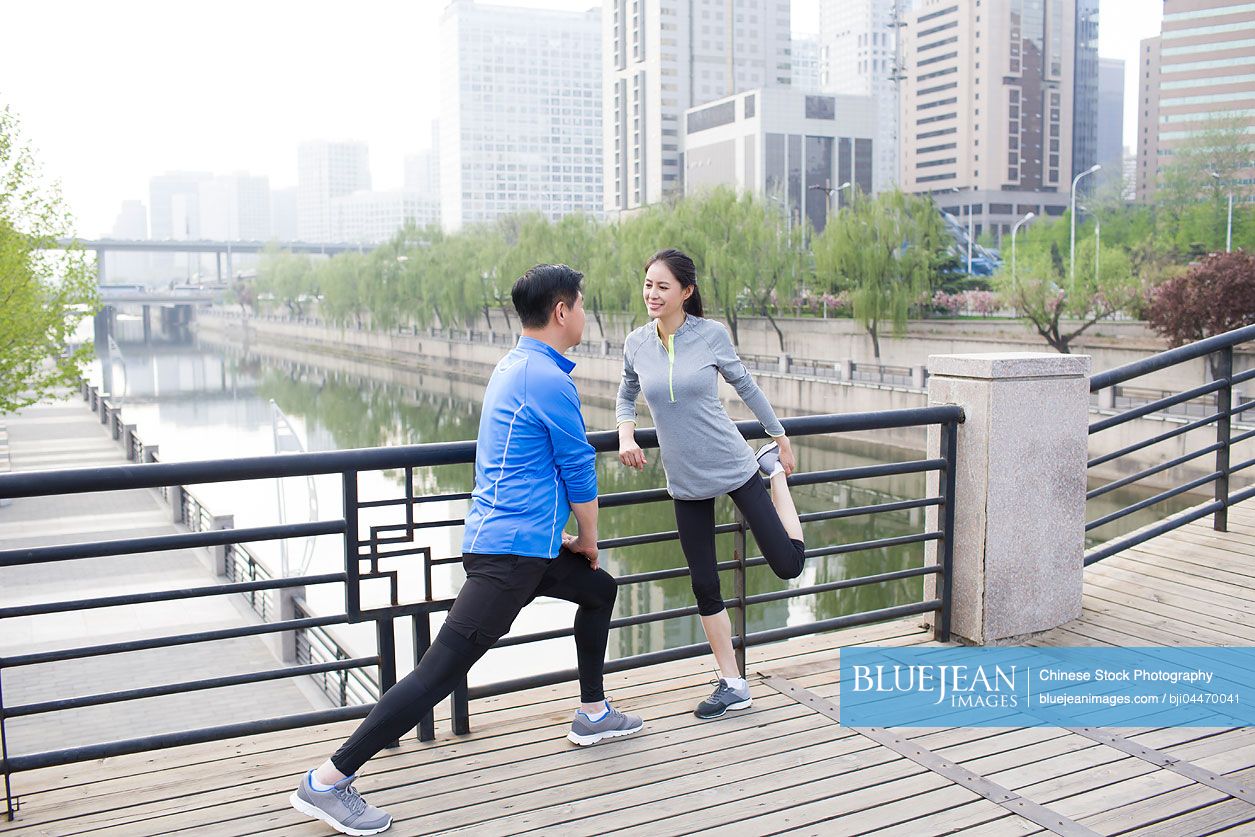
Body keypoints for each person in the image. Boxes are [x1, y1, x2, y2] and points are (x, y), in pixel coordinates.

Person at [291, 264, 643, 836]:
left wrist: (565, 543)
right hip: (508, 558)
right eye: (582, 304)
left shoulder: (518, 365)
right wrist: (589, 539)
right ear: (562, 311)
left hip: (524, 548)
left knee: (599, 591)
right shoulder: (546, 379)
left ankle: (594, 712)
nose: (585, 313)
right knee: (435, 677)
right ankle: (327, 781)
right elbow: (578, 468)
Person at [616, 248, 806, 721]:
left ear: (686, 291)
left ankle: (774, 476)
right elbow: (626, 392)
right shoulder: (636, 343)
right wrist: (624, 432)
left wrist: (779, 435)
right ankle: (732, 682)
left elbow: (746, 386)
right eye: (648, 285)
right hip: (684, 481)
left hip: (733, 463)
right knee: (705, 585)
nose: (653, 294)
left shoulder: (711, 335)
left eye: (663, 286)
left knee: (787, 565)